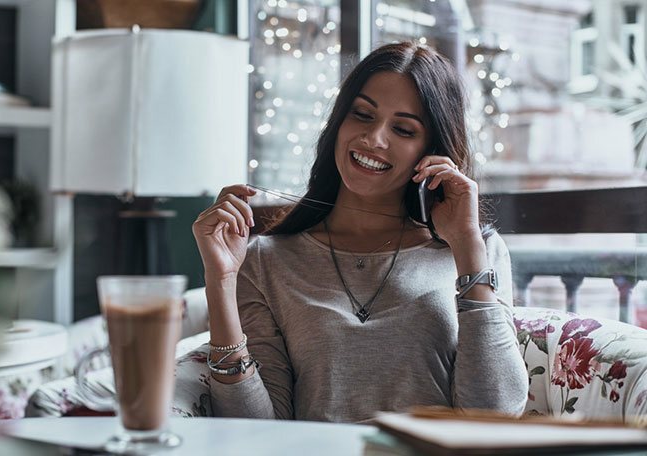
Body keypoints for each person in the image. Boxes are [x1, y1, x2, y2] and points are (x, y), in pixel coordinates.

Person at [192, 41, 528, 423]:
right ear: (339, 123)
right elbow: (255, 430)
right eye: (363, 115)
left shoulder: (477, 250)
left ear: (430, 150)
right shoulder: (266, 261)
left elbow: (496, 413)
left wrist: (467, 248)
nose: (374, 139)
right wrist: (220, 281)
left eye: (402, 129)